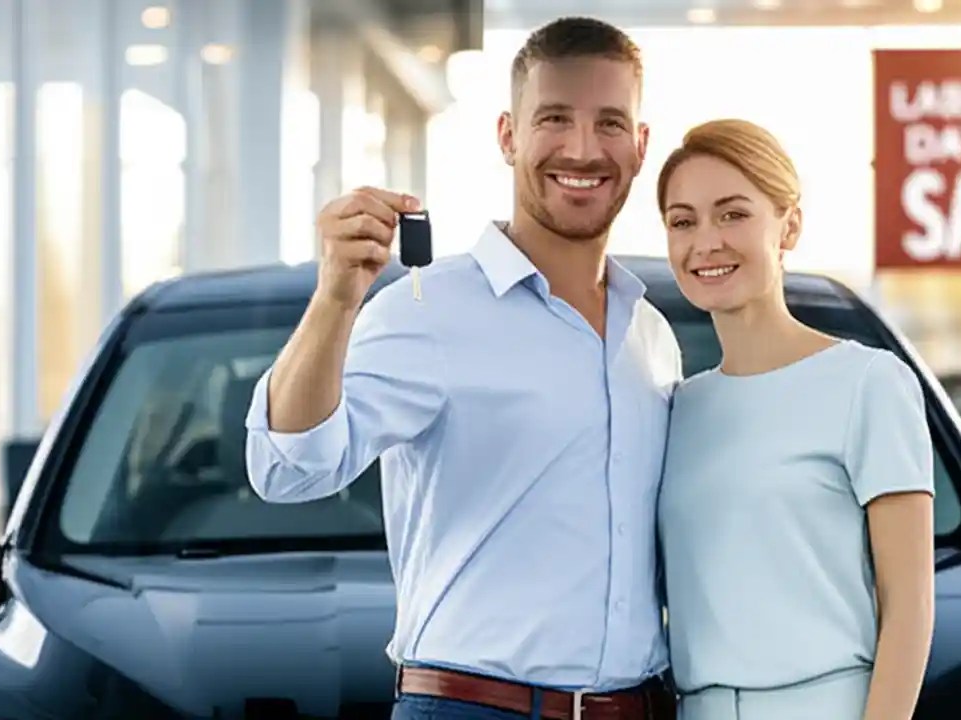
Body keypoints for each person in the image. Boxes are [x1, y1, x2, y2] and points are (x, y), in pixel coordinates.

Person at [243, 15, 681, 720]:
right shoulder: (426, 309)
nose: (581, 147)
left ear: (639, 144)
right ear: (508, 136)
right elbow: (289, 467)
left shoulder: (652, 336)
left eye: (609, 123)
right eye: (555, 119)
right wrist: (334, 298)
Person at [654, 119, 936, 720]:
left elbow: (909, 605)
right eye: (683, 221)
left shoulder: (868, 383)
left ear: (790, 226)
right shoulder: (680, 408)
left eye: (733, 214)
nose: (705, 241)